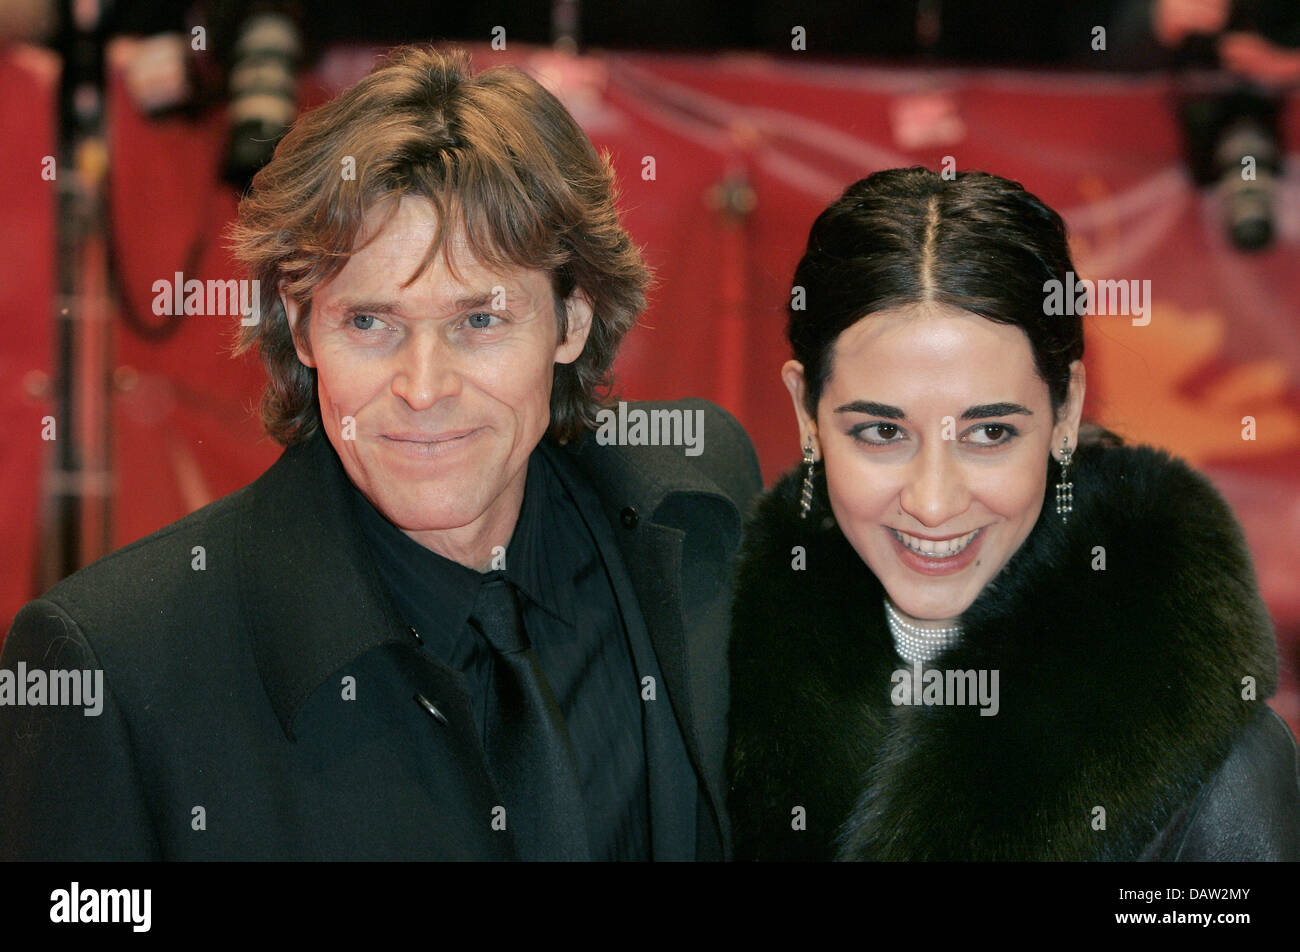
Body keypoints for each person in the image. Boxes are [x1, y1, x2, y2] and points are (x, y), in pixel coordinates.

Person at [0, 45, 760, 861]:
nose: (423, 387)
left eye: (480, 321)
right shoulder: (117, 669)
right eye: (370, 323)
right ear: (301, 327)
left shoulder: (698, 509)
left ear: (572, 320)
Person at [726, 167, 1300, 861]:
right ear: (805, 414)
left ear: (1066, 411)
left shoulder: (1217, 768)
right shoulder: (706, 693)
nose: (933, 503)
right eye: (881, 432)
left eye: (990, 433)